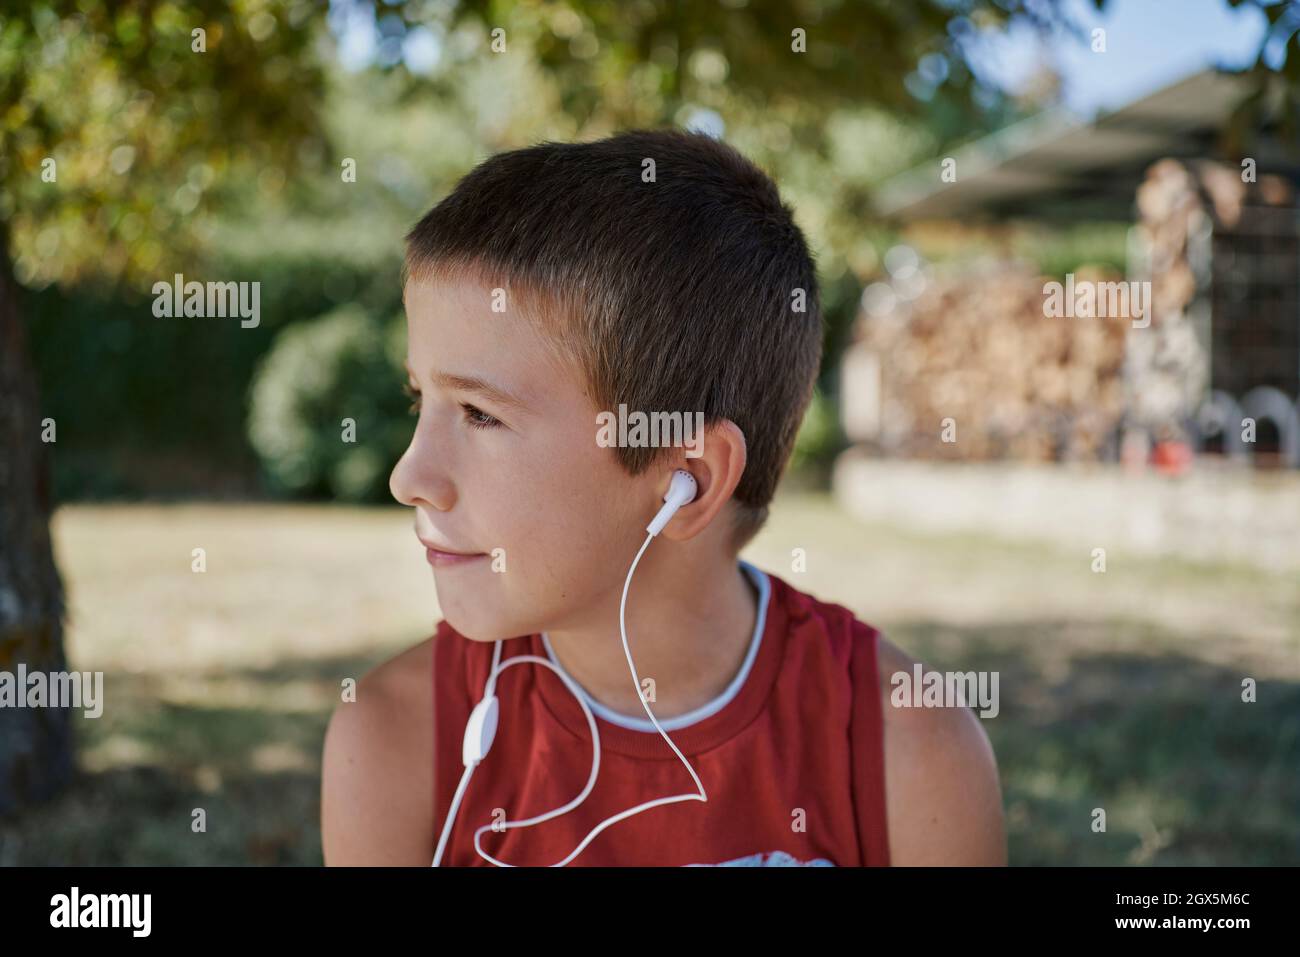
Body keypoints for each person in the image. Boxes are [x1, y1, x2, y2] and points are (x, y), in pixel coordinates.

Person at [320, 129, 1005, 866]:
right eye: (421, 396)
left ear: (690, 483)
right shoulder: (395, 740)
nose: (408, 475)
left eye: (480, 414)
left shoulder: (907, 748)